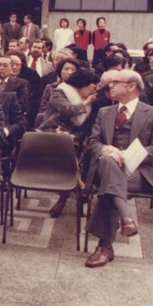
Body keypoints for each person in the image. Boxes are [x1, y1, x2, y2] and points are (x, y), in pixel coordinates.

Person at [83, 70, 153, 267]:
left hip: (141, 172)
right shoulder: (105, 112)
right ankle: (125, 219)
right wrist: (106, 149)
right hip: (105, 168)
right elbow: (93, 141)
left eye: (115, 82)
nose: (110, 86)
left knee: (110, 187)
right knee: (108, 164)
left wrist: (125, 155)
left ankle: (105, 247)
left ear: (131, 86)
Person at [37, 67, 100, 217]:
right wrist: (85, 103)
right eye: (93, 86)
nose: (94, 91)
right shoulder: (60, 92)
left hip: (72, 140)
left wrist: (73, 136)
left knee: (70, 147)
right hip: (48, 134)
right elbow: (67, 110)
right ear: (83, 85)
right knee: (67, 148)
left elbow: (85, 128)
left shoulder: (93, 102)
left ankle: (64, 198)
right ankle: (80, 187)